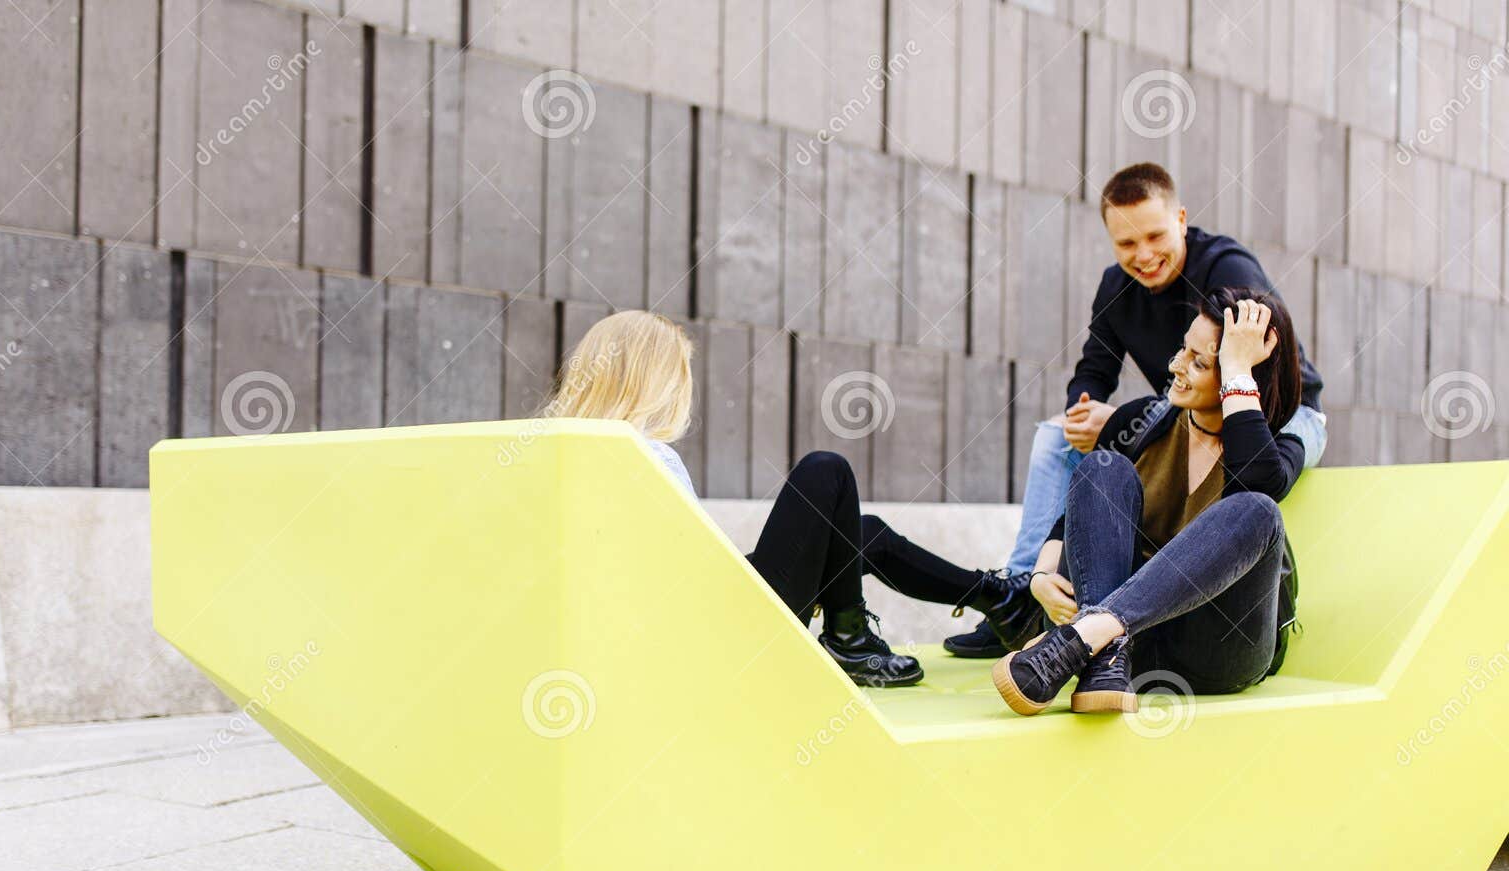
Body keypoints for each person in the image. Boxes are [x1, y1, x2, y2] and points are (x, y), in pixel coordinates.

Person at [947, 162, 1327, 660]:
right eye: (1127, 245)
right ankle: (1024, 593)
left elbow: (1228, 362)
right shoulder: (1116, 288)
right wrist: (1084, 414)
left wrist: (1152, 412)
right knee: (1054, 436)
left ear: (1182, 220)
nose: (1144, 256)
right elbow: (1094, 368)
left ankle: (1100, 625)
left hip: (1277, 405)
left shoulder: (1226, 269)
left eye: (1154, 236)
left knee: (1252, 485)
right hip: (1187, 405)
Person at [543, 311, 1040, 689]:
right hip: (719, 638)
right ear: (655, 382)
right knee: (825, 471)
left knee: (859, 534)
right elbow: (689, 573)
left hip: (684, 621)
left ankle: (995, 599)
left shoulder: (566, 451)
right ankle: (853, 641)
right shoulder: (648, 456)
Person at [991, 288, 1303, 716]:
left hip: (1215, 653)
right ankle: (1101, 648)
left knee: (1259, 509)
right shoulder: (1141, 423)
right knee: (1103, 467)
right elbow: (1075, 522)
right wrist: (1041, 577)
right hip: (1123, 660)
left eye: (1201, 362)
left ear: (1243, 374)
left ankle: (1090, 634)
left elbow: (1255, 484)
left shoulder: (1277, 450)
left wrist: (1235, 370)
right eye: (1183, 349)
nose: (1176, 366)